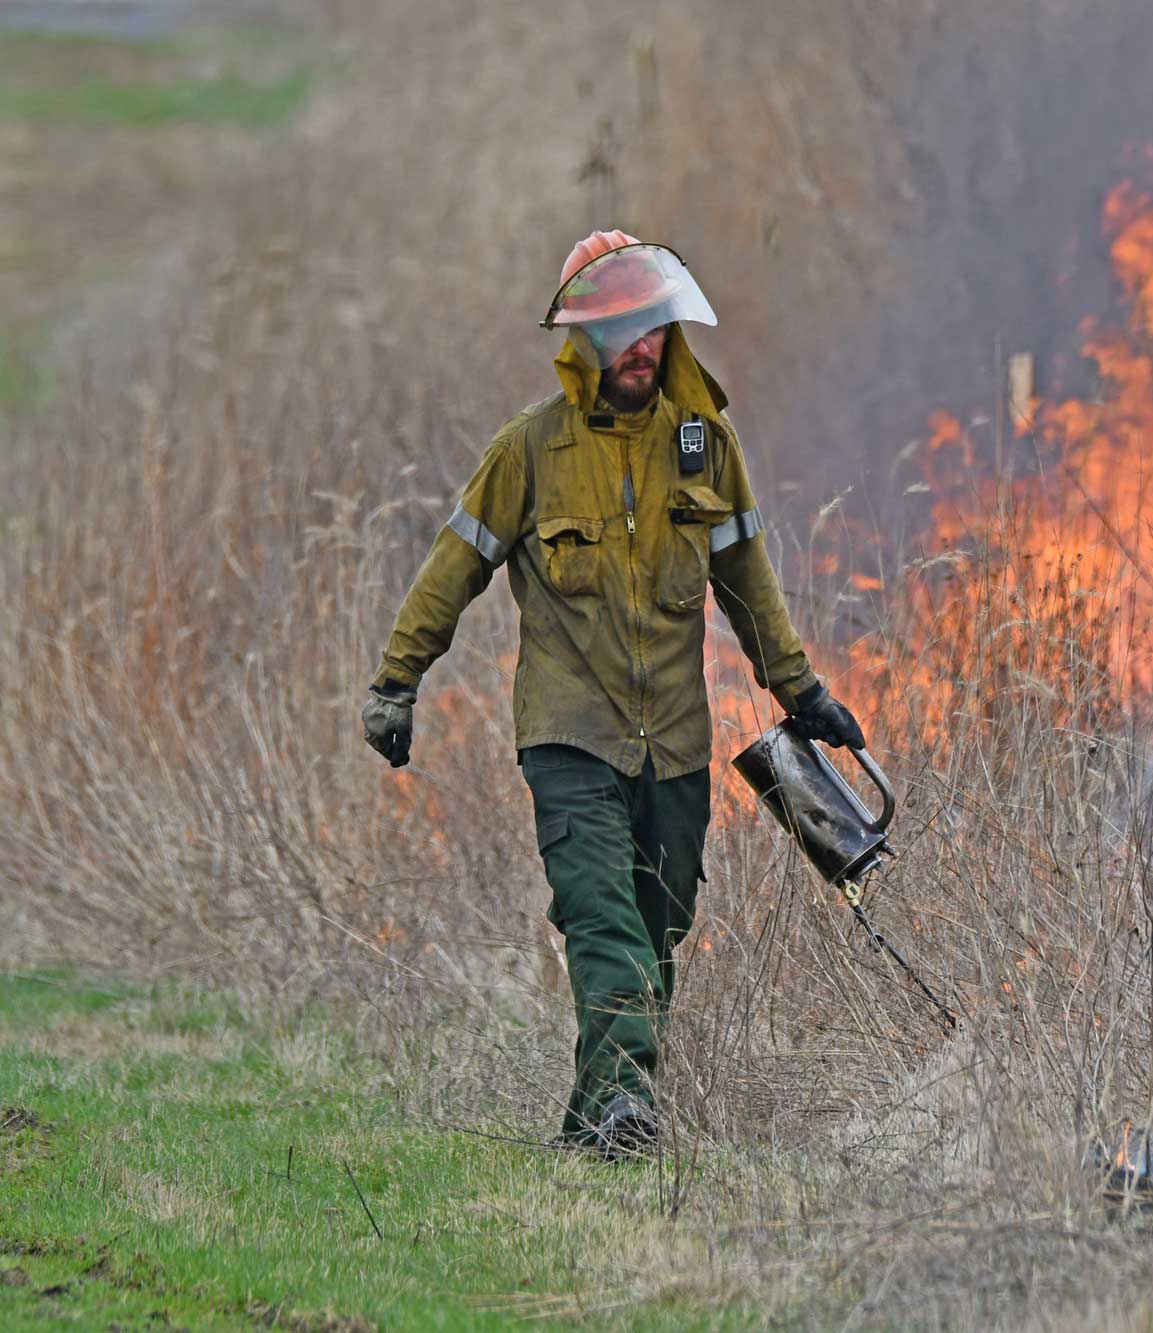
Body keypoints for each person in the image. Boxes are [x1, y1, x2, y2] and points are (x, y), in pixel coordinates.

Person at [360, 231, 866, 1155]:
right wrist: (397, 681)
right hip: (569, 732)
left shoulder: (705, 447)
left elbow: (748, 578)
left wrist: (804, 692)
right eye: (620, 329)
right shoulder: (530, 451)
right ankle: (629, 1104)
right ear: (583, 341)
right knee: (603, 919)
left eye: (653, 328)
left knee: (660, 925)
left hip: (673, 739)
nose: (640, 346)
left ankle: (600, 1118)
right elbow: (453, 567)